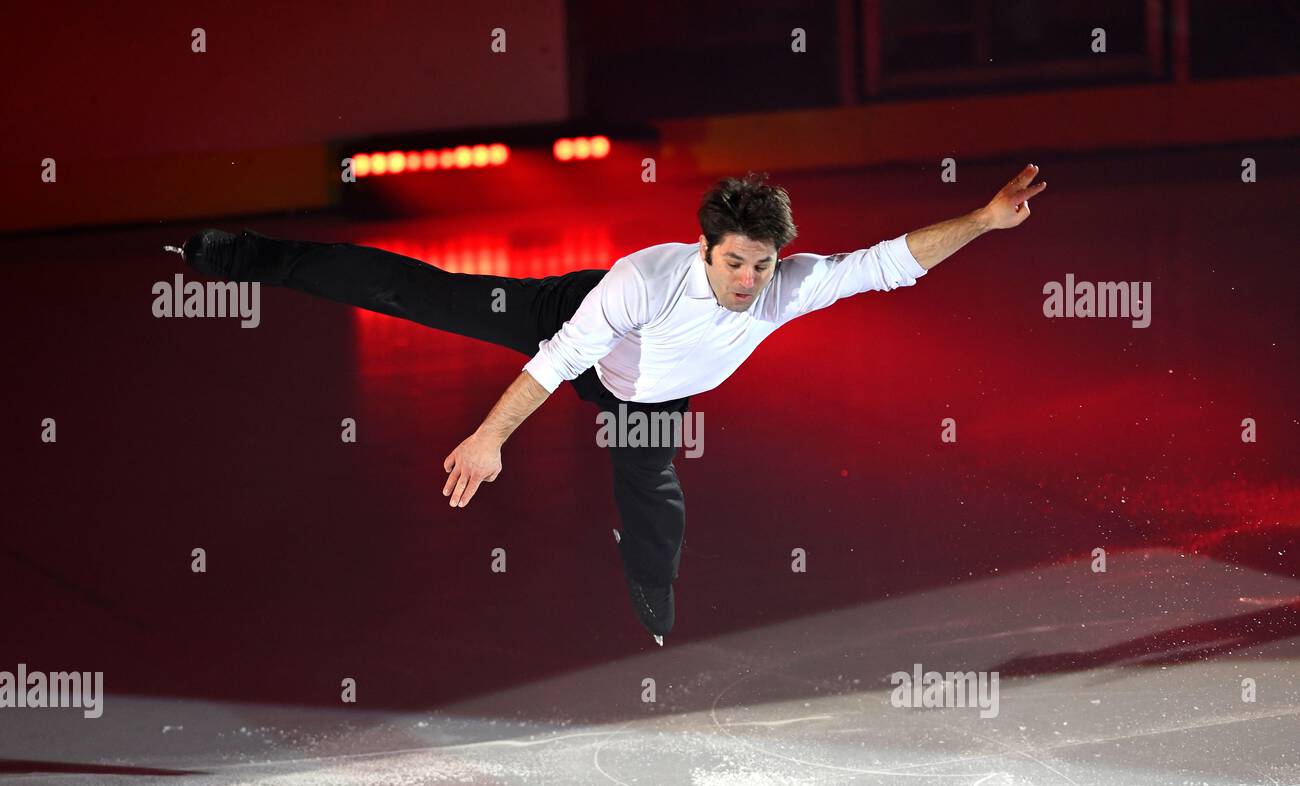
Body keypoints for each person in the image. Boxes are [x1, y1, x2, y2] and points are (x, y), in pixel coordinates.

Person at [173, 165, 1046, 644]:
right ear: (705, 247)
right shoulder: (644, 282)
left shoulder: (791, 282)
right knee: (419, 294)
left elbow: (891, 260)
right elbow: (557, 363)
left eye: (764, 264)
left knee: (653, 503)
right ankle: (243, 255)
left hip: (656, 394)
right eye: (735, 261)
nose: (749, 282)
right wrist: (487, 437)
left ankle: (651, 605)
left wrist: (980, 217)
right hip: (577, 324)